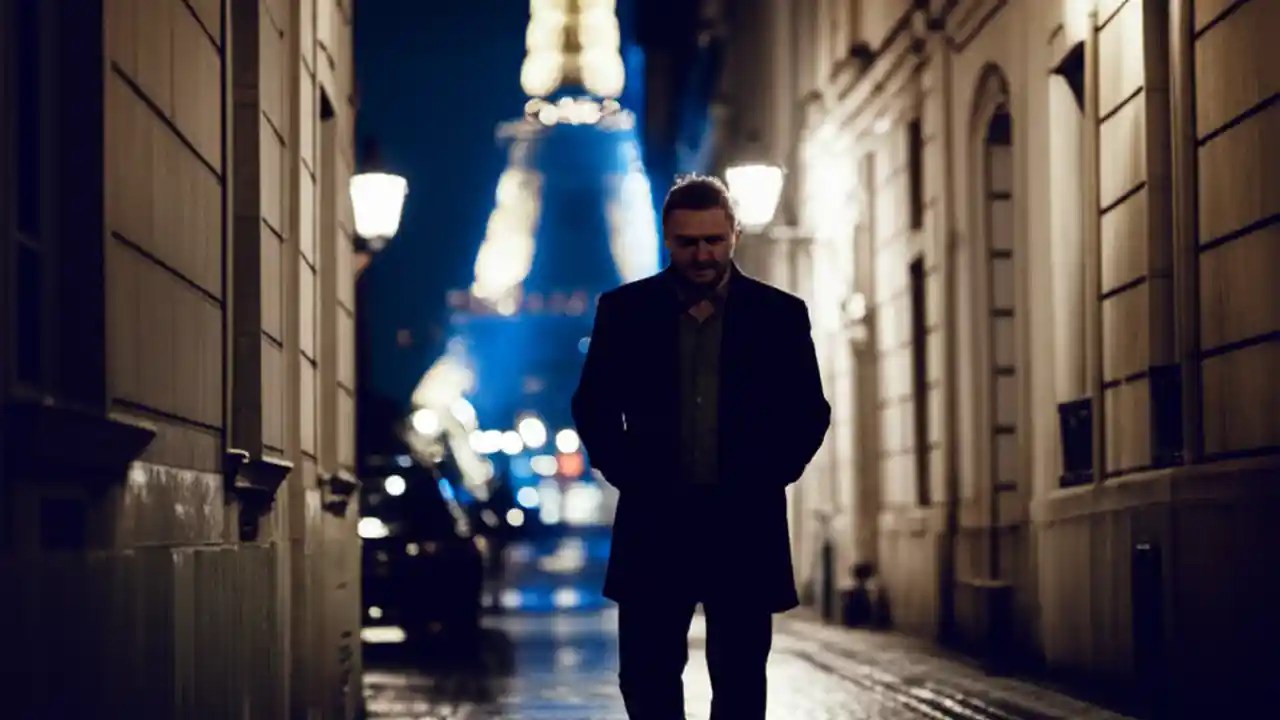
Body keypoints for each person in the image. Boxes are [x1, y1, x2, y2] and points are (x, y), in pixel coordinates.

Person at [572, 175, 831, 719]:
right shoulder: (624, 311)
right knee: (645, 679)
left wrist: (768, 475)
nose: (702, 254)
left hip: (741, 520)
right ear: (667, 238)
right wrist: (631, 475)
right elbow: (593, 405)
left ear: (734, 234)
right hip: (655, 520)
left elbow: (809, 411)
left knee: (740, 682)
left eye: (713, 240)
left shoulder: (779, 315)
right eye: (688, 242)